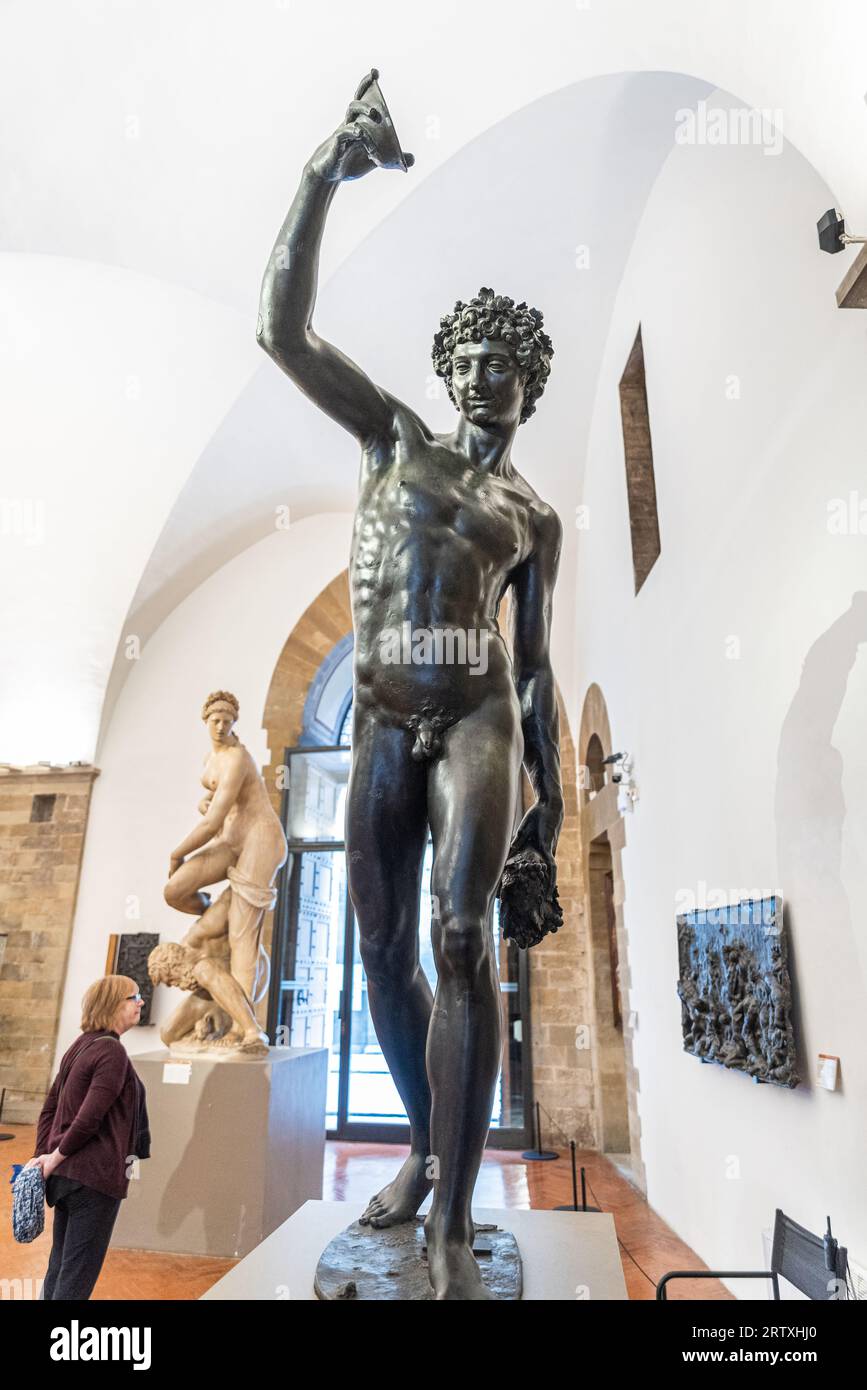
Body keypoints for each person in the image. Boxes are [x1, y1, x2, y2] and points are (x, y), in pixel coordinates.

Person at [257, 88, 563, 1299]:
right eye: (472, 358)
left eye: (509, 366)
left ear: (529, 387)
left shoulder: (532, 514)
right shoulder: (393, 439)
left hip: (477, 714)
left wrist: (543, 811)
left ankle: (453, 1215)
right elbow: (283, 330)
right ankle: (430, 1165)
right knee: (381, 952)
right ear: (447, 372)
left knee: (455, 934)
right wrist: (328, 167)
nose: (488, 374)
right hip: (381, 713)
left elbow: (533, 667)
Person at [26, 975, 150, 1300]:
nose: (141, 1002)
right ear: (113, 1004)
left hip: (68, 1178)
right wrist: (50, 1159)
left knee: (61, 1268)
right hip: (93, 1179)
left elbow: (49, 1109)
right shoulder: (111, 1053)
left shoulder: (81, 1045)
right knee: (75, 1279)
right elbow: (88, 1119)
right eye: (134, 997)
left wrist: (44, 1156)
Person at [163, 690, 287, 1011]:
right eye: (216, 721)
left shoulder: (237, 758)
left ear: (234, 724)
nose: (221, 727)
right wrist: (204, 802)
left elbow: (212, 820)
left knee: (242, 935)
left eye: (228, 722)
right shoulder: (211, 758)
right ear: (206, 721)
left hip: (260, 840)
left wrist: (177, 853)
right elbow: (217, 808)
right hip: (231, 838)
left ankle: (244, 1026)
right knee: (175, 890)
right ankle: (216, 914)